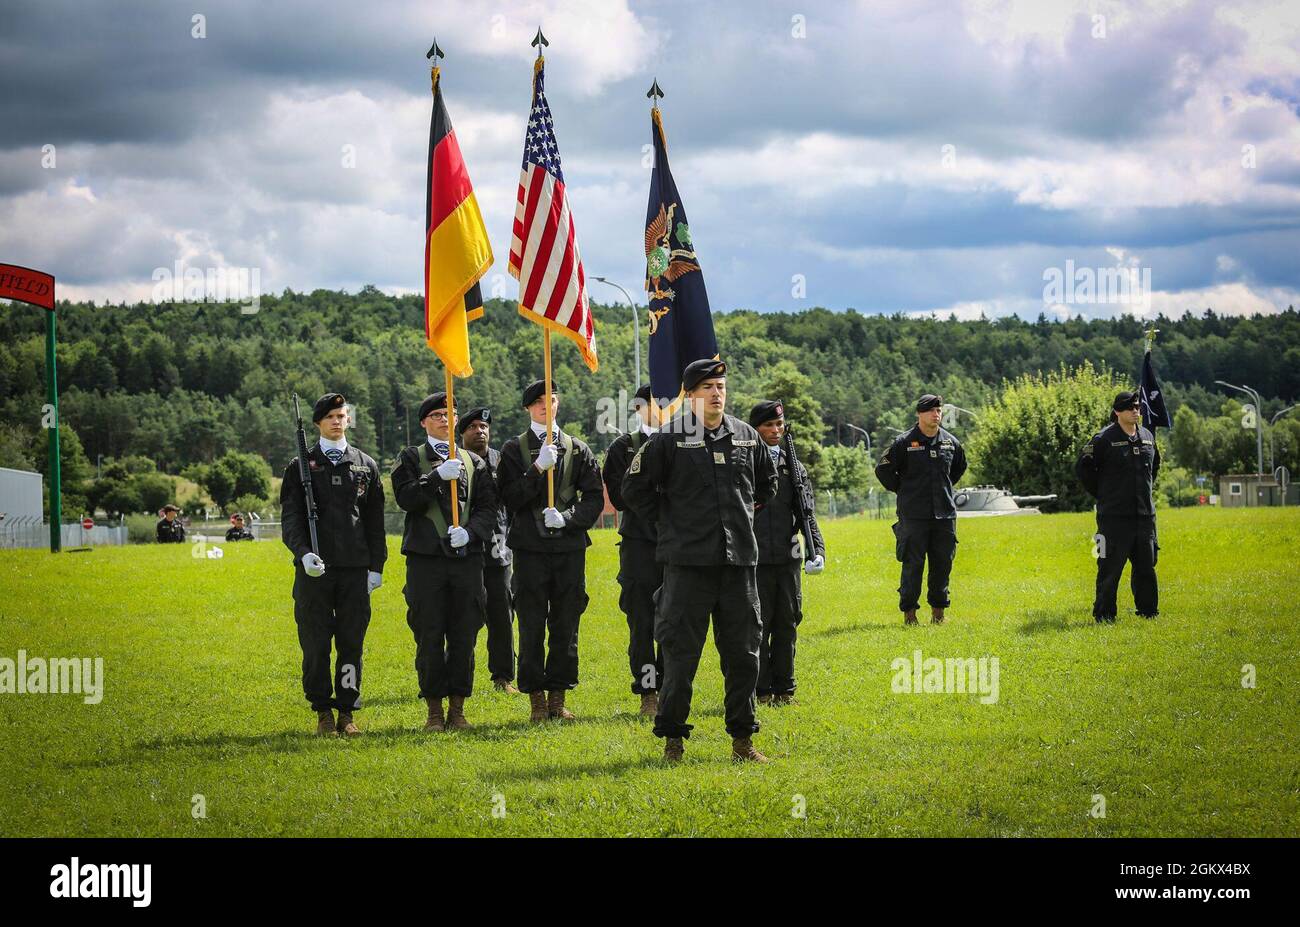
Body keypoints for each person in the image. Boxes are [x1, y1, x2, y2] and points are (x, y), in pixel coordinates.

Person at [622, 359, 779, 764]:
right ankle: (673, 740)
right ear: (689, 395)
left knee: (745, 655)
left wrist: (743, 520)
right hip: (687, 568)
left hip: (738, 566)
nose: (716, 393)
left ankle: (743, 741)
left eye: (721, 385)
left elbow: (767, 484)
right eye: (707, 386)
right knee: (679, 656)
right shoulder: (668, 439)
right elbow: (634, 491)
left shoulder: (746, 436)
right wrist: (669, 524)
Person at [496, 380, 605, 723]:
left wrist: (568, 519)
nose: (546, 405)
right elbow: (509, 498)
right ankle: (537, 700)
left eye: (551, 399)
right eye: (538, 401)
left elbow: (594, 498)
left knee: (566, 623)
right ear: (528, 408)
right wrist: (537, 469)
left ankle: (558, 697)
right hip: (529, 546)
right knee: (530, 623)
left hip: (568, 547)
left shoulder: (578, 449)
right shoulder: (514, 450)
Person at [280, 392, 387, 736]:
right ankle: (322, 710)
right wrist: (302, 553)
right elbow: (292, 519)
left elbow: (374, 522)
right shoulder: (299, 467)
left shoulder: (365, 465)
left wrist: (376, 567)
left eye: (342, 416)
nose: (338, 422)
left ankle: (346, 710)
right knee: (315, 642)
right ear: (318, 423)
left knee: (351, 642)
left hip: (354, 571)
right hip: (315, 571)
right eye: (331, 417)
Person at [391, 392, 498, 731]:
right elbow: (406, 498)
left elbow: (488, 509)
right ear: (424, 422)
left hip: (466, 560)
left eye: (449, 413)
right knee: (429, 632)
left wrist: (471, 533)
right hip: (426, 560)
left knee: (465, 632)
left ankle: (458, 709)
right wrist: (436, 477)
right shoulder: (410, 458)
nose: (443, 419)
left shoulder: (474, 462)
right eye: (436, 414)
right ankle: (434, 712)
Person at [749, 400, 825, 706]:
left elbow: (806, 513)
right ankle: (762, 691)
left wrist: (816, 550)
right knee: (758, 625)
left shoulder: (793, 467)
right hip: (753, 558)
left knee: (788, 623)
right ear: (755, 429)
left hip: (787, 557)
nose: (775, 430)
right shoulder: (745, 462)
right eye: (769, 425)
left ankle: (785, 690)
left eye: (780, 425)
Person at [874, 394, 968, 625]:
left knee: (942, 565)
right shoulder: (903, 443)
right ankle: (910, 615)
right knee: (912, 565)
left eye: (939, 410)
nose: (936, 415)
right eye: (931, 411)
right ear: (919, 414)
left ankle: (938, 614)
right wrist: (903, 490)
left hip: (944, 515)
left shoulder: (951, 442)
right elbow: (883, 471)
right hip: (913, 516)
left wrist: (942, 489)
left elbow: (957, 469)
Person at [602, 384, 664, 716]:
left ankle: (669, 687)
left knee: (675, 623)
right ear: (638, 408)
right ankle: (648, 692)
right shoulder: (623, 448)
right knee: (642, 624)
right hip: (640, 546)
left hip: (677, 545)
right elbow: (622, 496)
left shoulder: (686, 442)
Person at [1075, 390, 1160, 622]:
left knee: (1146, 567)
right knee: (1109, 568)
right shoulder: (1102, 439)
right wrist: (1103, 495)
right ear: (1117, 412)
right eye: (1130, 407)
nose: (1135, 411)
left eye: (1137, 407)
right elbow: (1083, 469)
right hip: (1113, 519)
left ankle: (1148, 612)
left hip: (1144, 518)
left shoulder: (1147, 437)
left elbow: (1154, 469)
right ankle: (1104, 614)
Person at [458, 406, 518, 694]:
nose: (479, 431)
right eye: (473, 427)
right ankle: (458, 672)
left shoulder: (502, 461)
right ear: (462, 433)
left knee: (502, 612)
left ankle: (503, 676)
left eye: (484, 426)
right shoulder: (455, 461)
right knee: (464, 614)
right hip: (465, 545)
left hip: (497, 546)